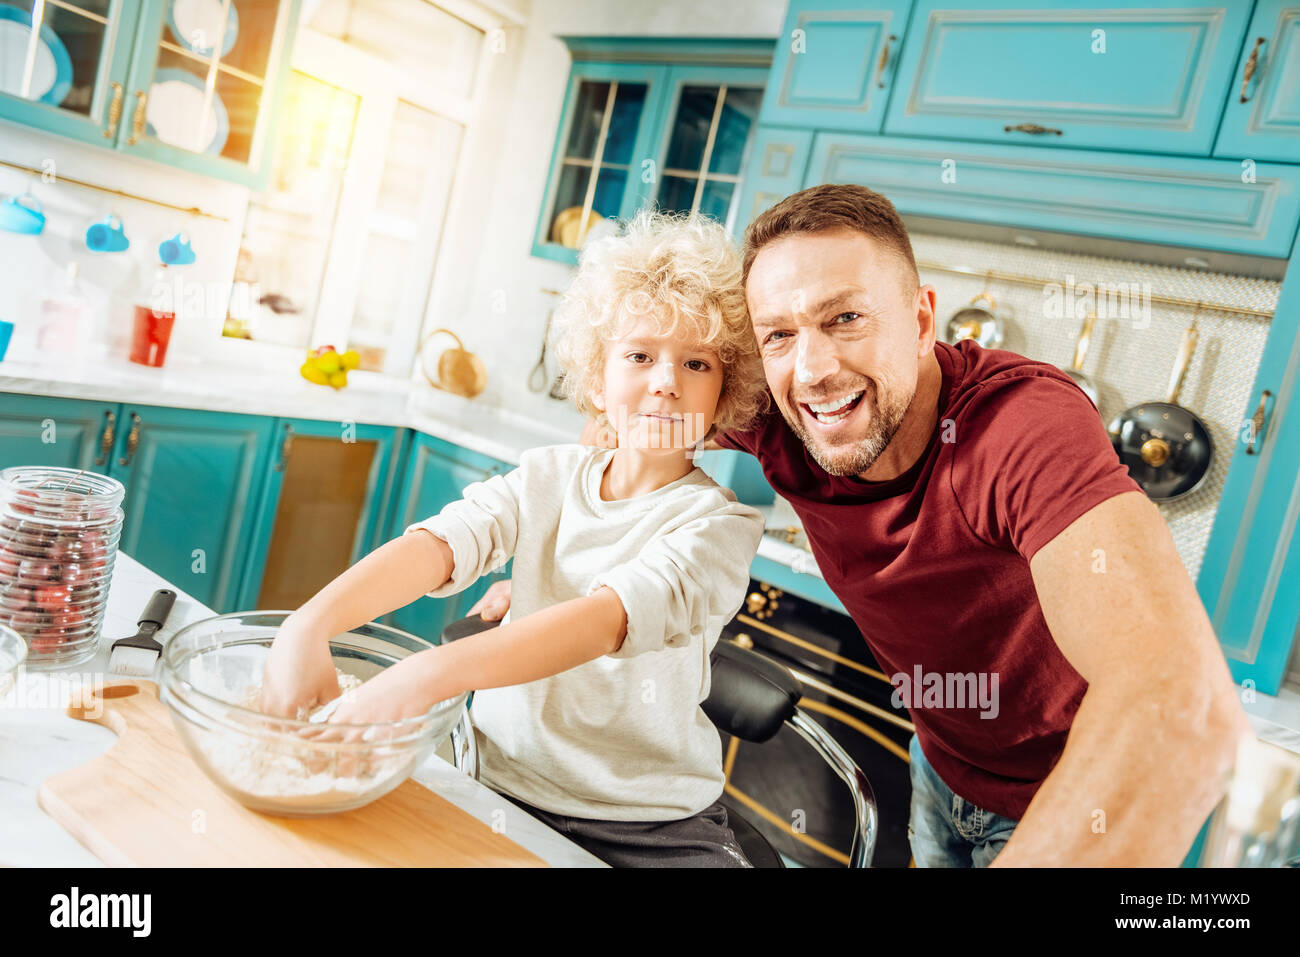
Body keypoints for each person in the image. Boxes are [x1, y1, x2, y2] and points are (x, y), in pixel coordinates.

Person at [470, 184, 1255, 867]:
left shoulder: (1023, 427)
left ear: (922, 320)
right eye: (778, 333)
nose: (812, 368)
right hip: (940, 769)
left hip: (1078, 797)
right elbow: (621, 431)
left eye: (845, 318)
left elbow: (1179, 709)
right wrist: (553, 562)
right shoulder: (784, 413)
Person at [259, 209, 770, 867]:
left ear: (724, 390)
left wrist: (420, 678)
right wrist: (307, 625)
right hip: (488, 780)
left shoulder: (719, 528)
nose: (666, 381)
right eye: (639, 354)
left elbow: (605, 621)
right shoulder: (546, 476)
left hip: (647, 828)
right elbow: (445, 543)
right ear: (596, 376)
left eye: (696, 362)